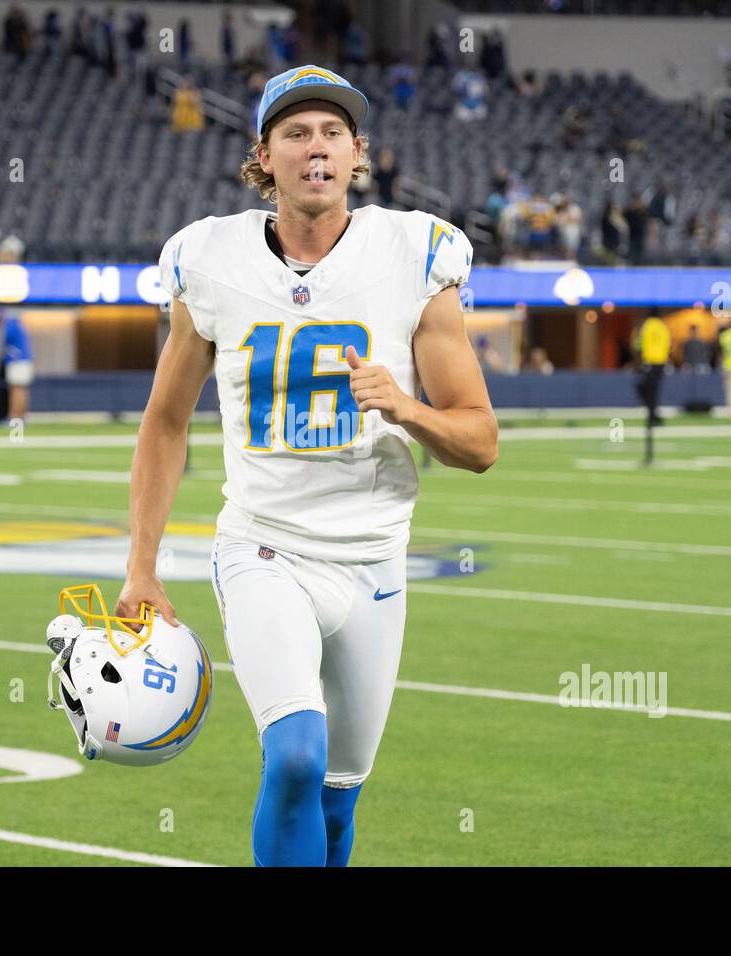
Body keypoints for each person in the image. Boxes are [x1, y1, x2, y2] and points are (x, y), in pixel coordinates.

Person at [124, 65, 496, 868]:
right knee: (293, 757)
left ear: (357, 151)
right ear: (265, 155)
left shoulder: (415, 253)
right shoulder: (209, 257)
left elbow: (480, 443)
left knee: (336, 800)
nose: (315, 147)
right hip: (264, 547)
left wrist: (407, 407)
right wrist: (141, 568)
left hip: (372, 561)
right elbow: (163, 422)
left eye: (332, 132)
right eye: (295, 133)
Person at [634, 315, 670, 427]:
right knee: (654, 391)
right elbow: (668, 344)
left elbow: (639, 344)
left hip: (649, 362)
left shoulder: (646, 326)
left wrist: (640, 361)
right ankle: (653, 415)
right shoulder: (663, 327)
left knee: (647, 390)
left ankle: (652, 416)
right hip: (661, 362)